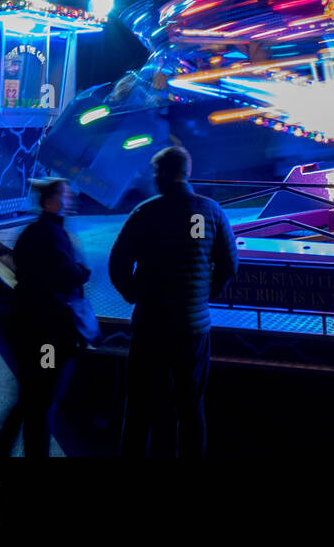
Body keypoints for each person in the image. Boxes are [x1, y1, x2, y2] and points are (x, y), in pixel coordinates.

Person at [108, 146, 237, 457]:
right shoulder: (211, 212)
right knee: (191, 409)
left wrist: (133, 294)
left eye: (155, 173)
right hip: (193, 330)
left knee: (139, 407)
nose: (153, 179)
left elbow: (117, 263)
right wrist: (205, 296)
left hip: (151, 326)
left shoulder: (146, 212)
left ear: (163, 175)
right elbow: (229, 263)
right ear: (186, 173)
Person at [0, 179, 93, 458]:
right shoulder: (53, 234)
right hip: (46, 336)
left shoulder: (33, 232)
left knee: (30, 397)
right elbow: (69, 275)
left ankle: (2, 451)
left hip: (27, 324)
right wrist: (83, 270)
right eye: (64, 196)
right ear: (49, 202)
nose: (69, 200)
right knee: (40, 399)